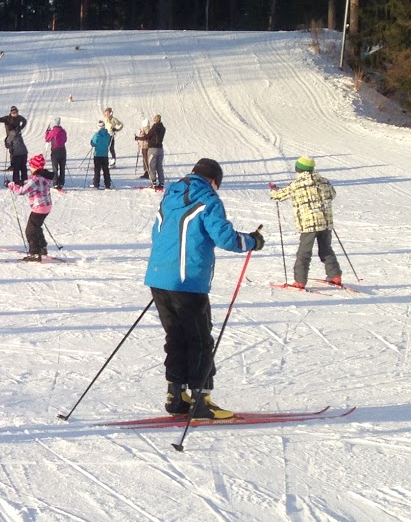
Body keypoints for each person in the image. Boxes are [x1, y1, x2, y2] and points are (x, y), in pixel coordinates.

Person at [144, 157, 264, 419]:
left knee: (176, 336)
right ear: (213, 180)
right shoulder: (207, 197)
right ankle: (201, 399)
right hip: (188, 281)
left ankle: (176, 395)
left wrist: (165, 269)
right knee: (199, 340)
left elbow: (158, 233)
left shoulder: (171, 195)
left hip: (159, 277)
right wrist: (252, 242)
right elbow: (225, 238)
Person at [268, 156, 342, 289]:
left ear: (298, 169)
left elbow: (278, 196)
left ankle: (300, 281)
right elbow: (332, 194)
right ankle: (335, 276)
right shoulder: (324, 181)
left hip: (308, 225)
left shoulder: (297, 184)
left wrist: (273, 189)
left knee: (304, 252)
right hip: (325, 223)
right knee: (326, 249)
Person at [7, 153, 54, 259]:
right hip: (46, 206)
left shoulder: (35, 179)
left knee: (30, 230)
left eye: (31, 167)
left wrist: (12, 186)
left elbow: (21, 191)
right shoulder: (44, 176)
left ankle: (35, 253)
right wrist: (20, 182)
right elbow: (30, 183)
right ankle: (42, 248)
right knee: (36, 227)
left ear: (36, 167)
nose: (30, 168)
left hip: (39, 207)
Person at [139, 113, 166, 189]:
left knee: (152, 166)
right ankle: (161, 182)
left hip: (153, 148)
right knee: (159, 166)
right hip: (160, 149)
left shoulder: (154, 128)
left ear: (155, 120)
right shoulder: (163, 128)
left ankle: (153, 182)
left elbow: (147, 136)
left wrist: (138, 138)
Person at [44, 116, 69, 190]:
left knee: (55, 168)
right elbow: (65, 140)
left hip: (55, 150)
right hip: (63, 150)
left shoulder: (52, 131)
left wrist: (47, 132)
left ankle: (55, 183)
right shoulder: (63, 131)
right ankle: (61, 182)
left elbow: (47, 139)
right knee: (62, 167)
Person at [90, 121, 114, 189]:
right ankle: (107, 184)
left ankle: (96, 183)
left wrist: (92, 142)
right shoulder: (108, 135)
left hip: (97, 155)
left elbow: (93, 143)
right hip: (105, 155)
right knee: (106, 170)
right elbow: (108, 142)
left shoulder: (97, 135)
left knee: (97, 170)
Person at [4, 121, 29, 185]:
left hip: (17, 153)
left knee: (16, 168)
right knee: (23, 167)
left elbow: (7, 144)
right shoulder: (18, 132)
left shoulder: (12, 133)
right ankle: (25, 180)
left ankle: (16, 181)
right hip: (24, 152)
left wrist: (5, 140)